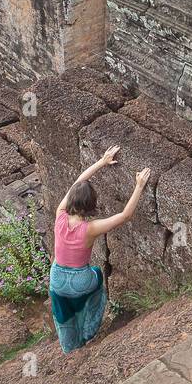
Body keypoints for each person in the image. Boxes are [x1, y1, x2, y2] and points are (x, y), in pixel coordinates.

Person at [49, 145, 151, 353]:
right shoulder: (90, 228)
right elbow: (124, 216)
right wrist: (139, 186)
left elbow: (78, 181)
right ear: (91, 206)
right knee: (95, 274)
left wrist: (102, 161)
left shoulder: (60, 214)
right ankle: (88, 330)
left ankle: (70, 346)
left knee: (63, 310)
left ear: (71, 201)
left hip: (57, 278)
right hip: (80, 281)